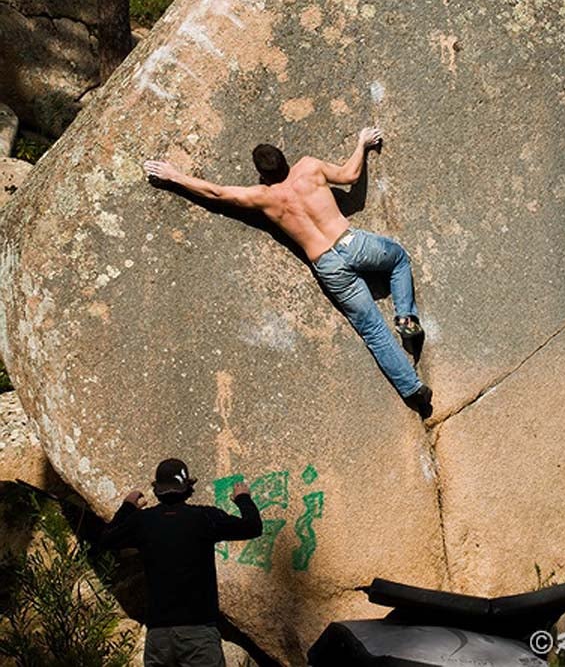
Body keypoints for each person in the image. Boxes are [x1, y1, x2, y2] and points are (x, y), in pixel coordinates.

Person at [144, 128, 432, 418]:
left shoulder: (263, 196)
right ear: (285, 159)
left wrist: (175, 176)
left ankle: (413, 389)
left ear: (263, 175)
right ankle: (405, 316)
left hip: (326, 264)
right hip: (351, 243)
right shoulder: (308, 166)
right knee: (397, 259)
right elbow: (349, 176)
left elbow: (216, 193)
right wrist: (362, 144)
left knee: (372, 330)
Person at [100, 458, 263, 667]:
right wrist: (243, 499)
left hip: (159, 636)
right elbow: (252, 527)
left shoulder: (143, 522)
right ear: (187, 488)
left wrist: (128, 507)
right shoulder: (204, 518)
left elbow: (106, 539)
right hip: (199, 634)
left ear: (157, 489)